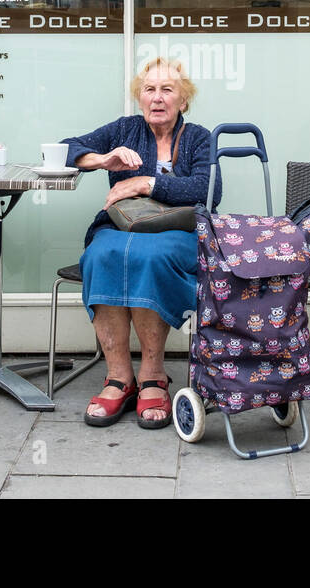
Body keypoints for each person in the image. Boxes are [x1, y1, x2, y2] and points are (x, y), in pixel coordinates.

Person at [61, 57, 219, 429]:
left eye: (168, 90)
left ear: (184, 100)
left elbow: (208, 191)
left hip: (177, 236)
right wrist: (103, 159)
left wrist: (145, 182)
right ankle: (119, 377)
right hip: (119, 229)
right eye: (149, 90)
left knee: (150, 257)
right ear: (139, 97)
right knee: (102, 254)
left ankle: (152, 374)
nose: (157, 98)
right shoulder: (125, 130)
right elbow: (65, 149)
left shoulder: (198, 136)